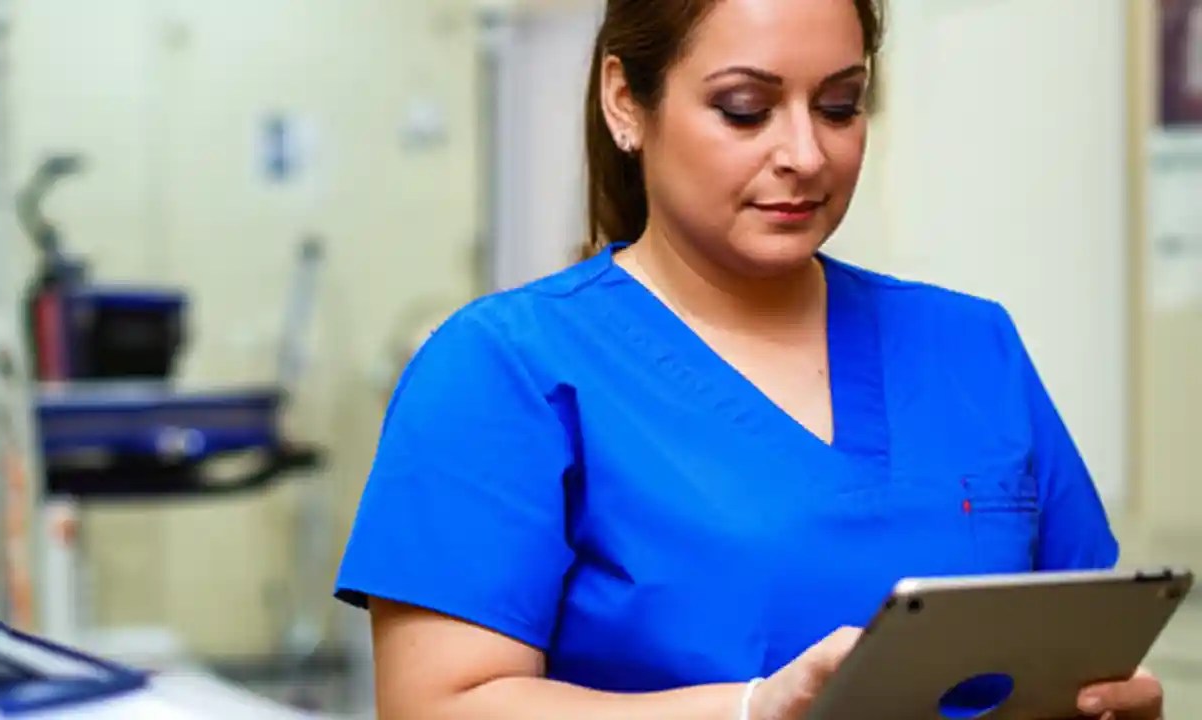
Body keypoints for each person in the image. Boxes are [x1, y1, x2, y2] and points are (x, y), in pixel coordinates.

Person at [334, 1, 1166, 718]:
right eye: (744, 109)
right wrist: (749, 709)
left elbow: (1078, 639)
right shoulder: (502, 370)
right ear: (626, 102)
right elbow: (441, 704)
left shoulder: (972, 347)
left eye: (840, 106)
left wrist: (1111, 703)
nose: (805, 154)